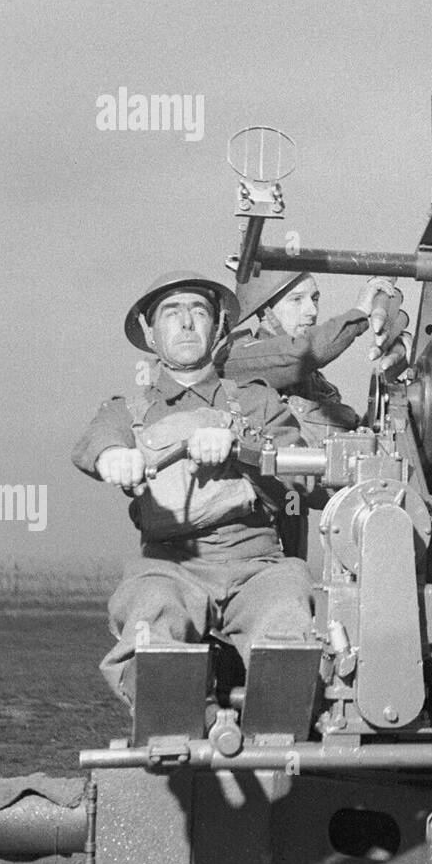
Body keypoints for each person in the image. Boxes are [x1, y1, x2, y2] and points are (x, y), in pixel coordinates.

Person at [72, 271, 313, 707]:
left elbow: (299, 480)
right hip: (169, 567)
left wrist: (242, 447)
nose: (186, 323)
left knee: (286, 618)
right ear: (150, 332)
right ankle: (173, 729)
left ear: (219, 326)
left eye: (198, 311)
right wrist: (113, 456)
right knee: (151, 612)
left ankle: (279, 737)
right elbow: (95, 440)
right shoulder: (128, 411)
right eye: (171, 312)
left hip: (257, 566)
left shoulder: (259, 402)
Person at [219, 267, 404, 555]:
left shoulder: (311, 381)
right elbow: (297, 355)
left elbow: (344, 442)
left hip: (287, 530)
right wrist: (359, 313)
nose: (311, 310)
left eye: (315, 298)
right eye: (297, 300)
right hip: (240, 542)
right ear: (265, 311)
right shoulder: (243, 357)